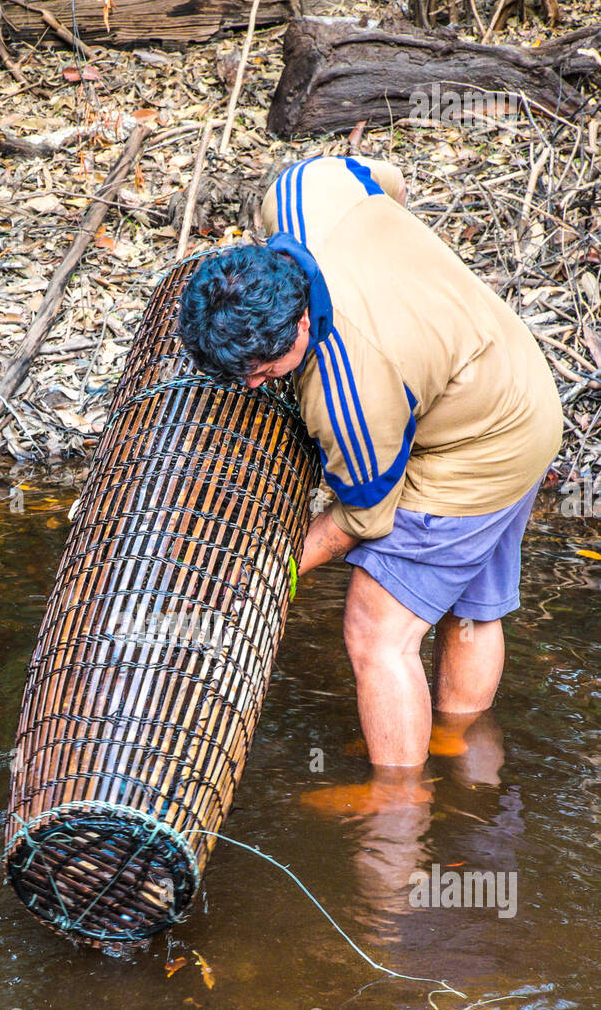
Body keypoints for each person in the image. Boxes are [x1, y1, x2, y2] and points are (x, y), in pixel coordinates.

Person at [177, 154, 562, 809]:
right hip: (512, 374)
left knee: (377, 628)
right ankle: (453, 744)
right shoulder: (301, 195)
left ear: (302, 324)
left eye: (265, 372)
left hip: (478, 449)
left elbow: (364, 520)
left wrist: (275, 570)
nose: (251, 386)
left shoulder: (348, 394)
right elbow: (391, 180)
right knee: (473, 598)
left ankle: (398, 798)